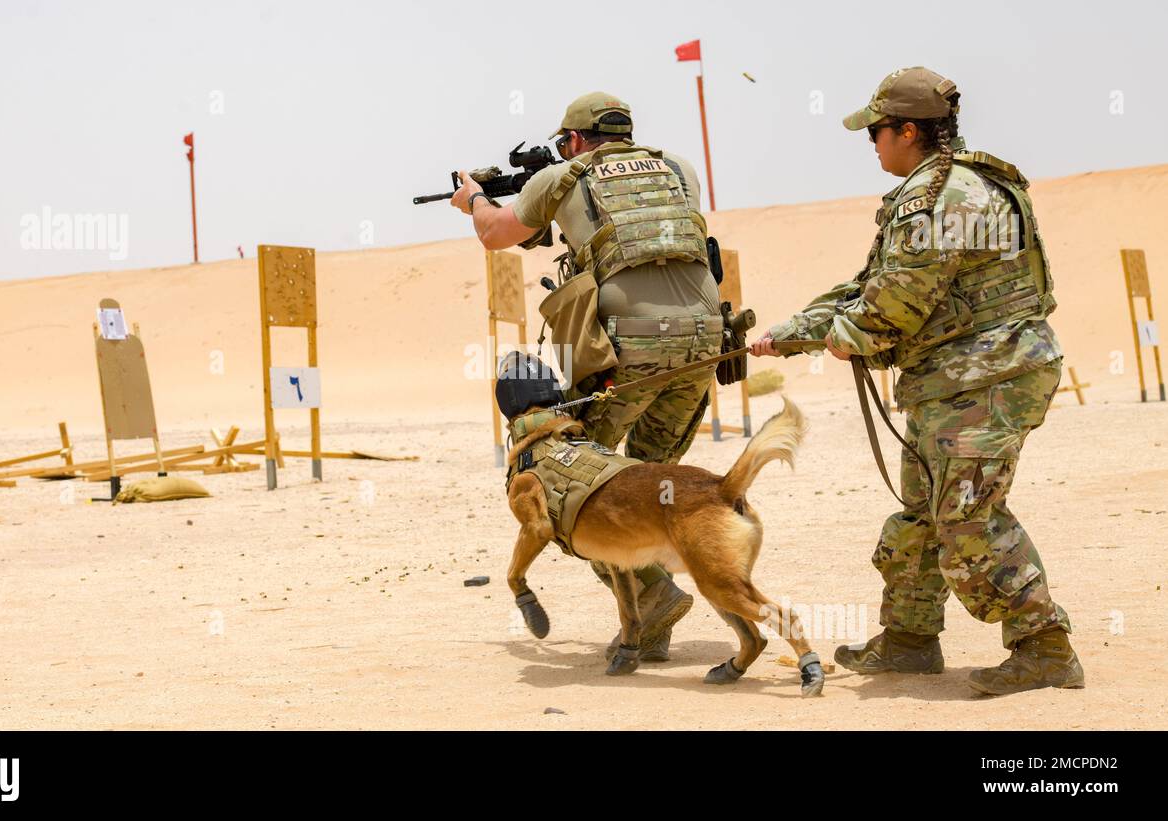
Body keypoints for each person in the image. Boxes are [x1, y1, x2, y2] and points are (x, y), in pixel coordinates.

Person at [750, 67, 1083, 695]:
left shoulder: (940, 199)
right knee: (923, 517)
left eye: (876, 131)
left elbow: (893, 307)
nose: (870, 143)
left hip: (988, 375)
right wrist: (793, 331)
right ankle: (908, 641)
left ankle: (1045, 648)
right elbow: (868, 288)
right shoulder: (951, 186)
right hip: (960, 377)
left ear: (909, 130)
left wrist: (845, 339)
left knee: (965, 516)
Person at [452, 92, 724, 661]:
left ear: (573, 141)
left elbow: (496, 234)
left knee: (573, 489)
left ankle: (651, 597)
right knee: (655, 481)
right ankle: (651, 620)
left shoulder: (561, 175)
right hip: (703, 344)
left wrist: (474, 196)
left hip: (625, 353)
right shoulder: (680, 168)